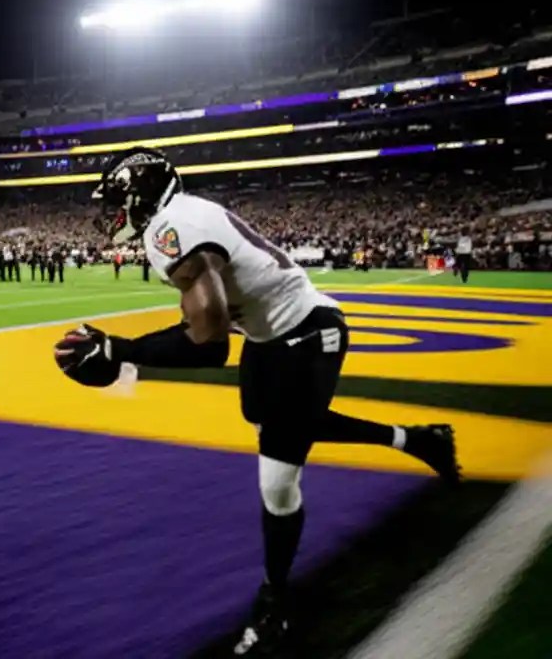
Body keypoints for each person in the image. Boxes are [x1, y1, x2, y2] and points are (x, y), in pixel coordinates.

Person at [53, 147, 459, 657]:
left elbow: (210, 342)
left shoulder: (169, 230)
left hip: (305, 334)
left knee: (278, 482)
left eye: (118, 201)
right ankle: (419, 440)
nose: (112, 213)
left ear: (142, 195)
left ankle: (274, 603)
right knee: (282, 421)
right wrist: (127, 352)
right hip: (274, 337)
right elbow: (204, 325)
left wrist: (121, 351)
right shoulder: (181, 217)